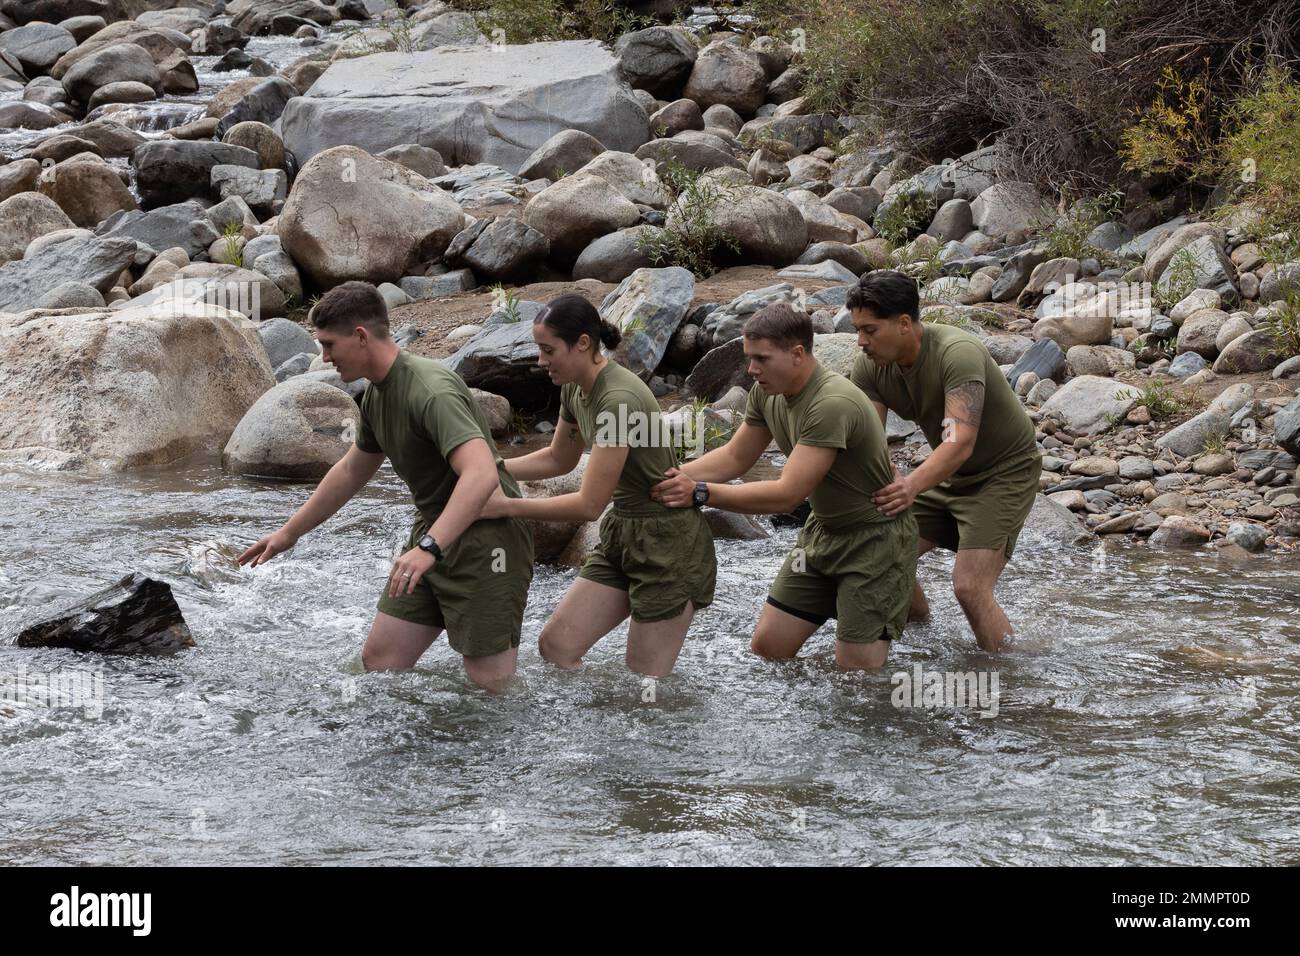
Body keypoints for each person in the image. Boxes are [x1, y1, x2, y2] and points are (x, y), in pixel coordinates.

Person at [237, 281, 535, 692]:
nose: (324, 357)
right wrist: (288, 534)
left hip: (488, 543)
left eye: (328, 345)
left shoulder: (431, 390)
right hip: (432, 533)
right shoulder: (377, 395)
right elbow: (351, 471)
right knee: (381, 665)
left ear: (360, 336)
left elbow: (482, 476)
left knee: (489, 689)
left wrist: (429, 548)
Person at [651, 303, 917, 671]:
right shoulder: (767, 391)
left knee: (858, 678)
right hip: (822, 535)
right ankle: (902, 613)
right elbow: (734, 458)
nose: (751, 370)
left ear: (797, 354)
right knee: (769, 650)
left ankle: (902, 619)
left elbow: (787, 494)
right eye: (749, 358)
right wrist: (668, 477)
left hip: (875, 541)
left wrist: (699, 493)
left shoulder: (831, 404)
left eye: (761, 358)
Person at [479, 294, 715, 678]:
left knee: (644, 683)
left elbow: (589, 505)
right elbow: (559, 459)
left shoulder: (617, 400)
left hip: (669, 545)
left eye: (547, 350)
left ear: (583, 343)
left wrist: (506, 505)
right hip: (623, 532)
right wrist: (493, 469)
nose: (540, 361)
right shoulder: (574, 386)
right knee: (557, 647)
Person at [845, 269, 1041, 652]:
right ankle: (921, 632)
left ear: (904, 323)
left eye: (869, 330)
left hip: (1003, 474)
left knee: (969, 587)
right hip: (946, 474)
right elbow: (868, 442)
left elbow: (959, 441)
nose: (860, 342)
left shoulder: (957, 353)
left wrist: (910, 485)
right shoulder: (870, 367)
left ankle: (1013, 678)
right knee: (880, 550)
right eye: (857, 330)